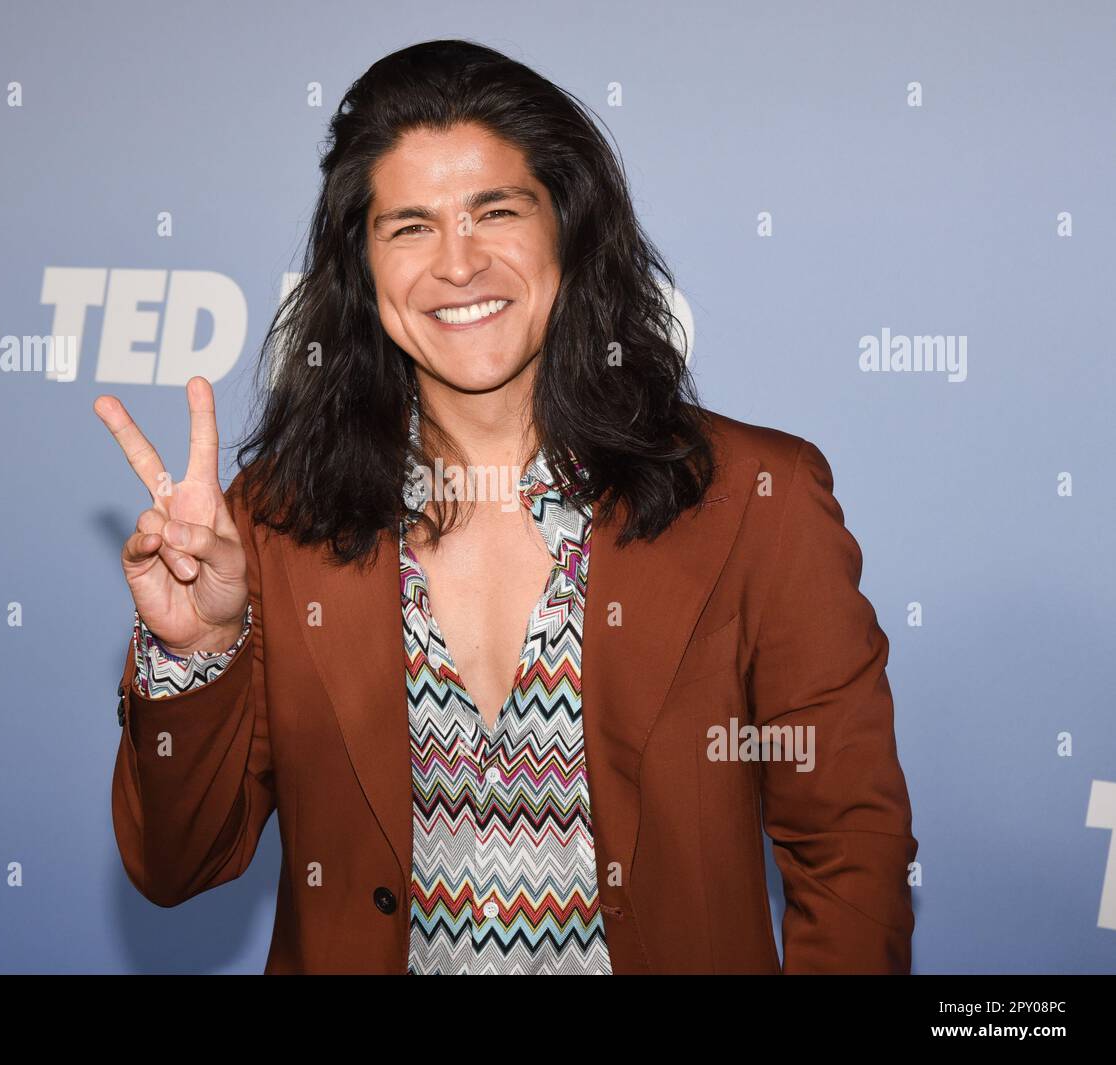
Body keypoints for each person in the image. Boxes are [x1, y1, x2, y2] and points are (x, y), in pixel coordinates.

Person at [94, 39, 917, 975]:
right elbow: (178, 864)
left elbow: (852, 852)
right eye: (409, 227)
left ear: (566, 226)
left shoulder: (755, 497)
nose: (457, 263)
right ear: (360, 266)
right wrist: (194, 655)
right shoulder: (277, 520)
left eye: (495, 212)